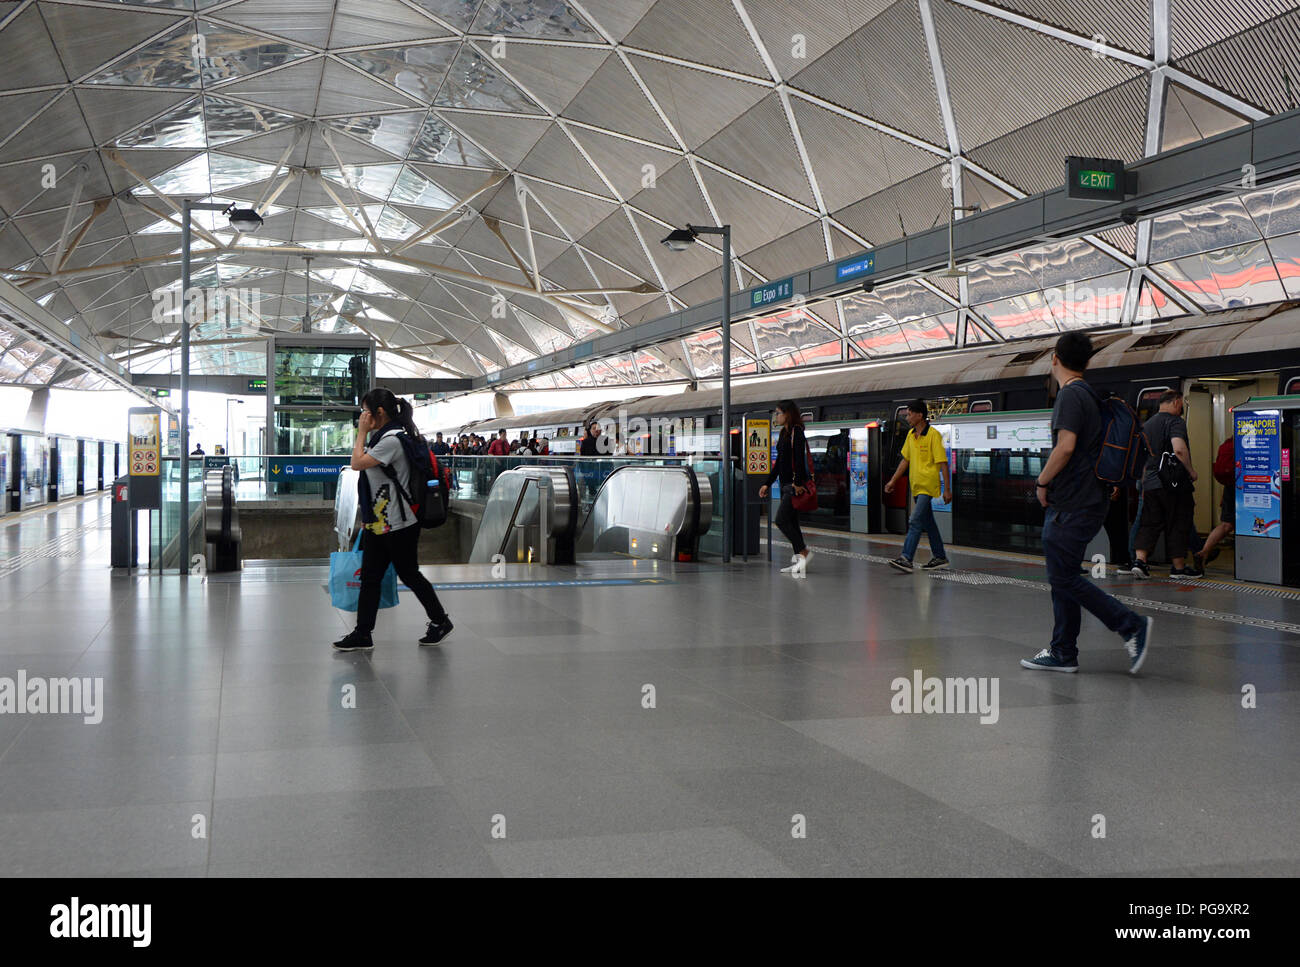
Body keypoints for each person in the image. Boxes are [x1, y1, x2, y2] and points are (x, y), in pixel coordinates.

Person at [1021, 331, 1151, 674]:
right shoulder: (1088, 395)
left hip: (1073, 502)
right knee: (1061, 575)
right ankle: (1063, 651)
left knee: (1062, 578)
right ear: (1088, 361)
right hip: (1086, 498)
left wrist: (1041, 481)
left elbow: (1065, 446)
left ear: (1054, 359)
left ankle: (1130, 625)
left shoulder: (1070, 396)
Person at [333, 388, 452, 652]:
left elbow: (357, 464)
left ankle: (440, 621)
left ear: (380, 413)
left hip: (400, 523)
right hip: (381, 522)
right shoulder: (385, 437)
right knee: (371, 577)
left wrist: (361, 433)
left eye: (366, 411)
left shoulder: (392, 440)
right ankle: (363, 632)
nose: (363, 416)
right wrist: (368, 516)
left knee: (408, 574)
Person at [1132, 390, 1199, 579]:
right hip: (1173, 483)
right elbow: (1178, 449)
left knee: (1149, 522)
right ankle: (1178, 568)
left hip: (1150, 483)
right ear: (1177, 402)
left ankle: (1140, 562)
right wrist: (1190, 470)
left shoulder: (1148, 424)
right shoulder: (1175, 421)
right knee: (1179, 521)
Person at [884, 399, 951, 572]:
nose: (907, 418)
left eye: (910, 414)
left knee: (914, 521)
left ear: (920, 415)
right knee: (928, 523)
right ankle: (940, 557)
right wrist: (893, 480)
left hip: (927, 486)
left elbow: (943, 463)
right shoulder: (910, 435)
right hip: (915, 485)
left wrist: (947, 490)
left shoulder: (933, 435)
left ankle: (906, 558)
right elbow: (905, 460)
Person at [758, 400, 813, 576]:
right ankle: (799, 561)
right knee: (793, 523)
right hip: (786, 485)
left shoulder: (796, 432)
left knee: (781, 520)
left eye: (778, 413)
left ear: (788, 414)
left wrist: (798, 484)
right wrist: (768, 482)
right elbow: (779, 463)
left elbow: (798, 459)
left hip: (794, 486)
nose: (777, 416)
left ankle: (803, 552)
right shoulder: (784, 433)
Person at [1194, 435, 1236, 570]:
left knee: (1226, 525)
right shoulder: (1252, 442)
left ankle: (1204, 551)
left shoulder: (1228, 443)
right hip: (1249, 487)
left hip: (1230, 488)